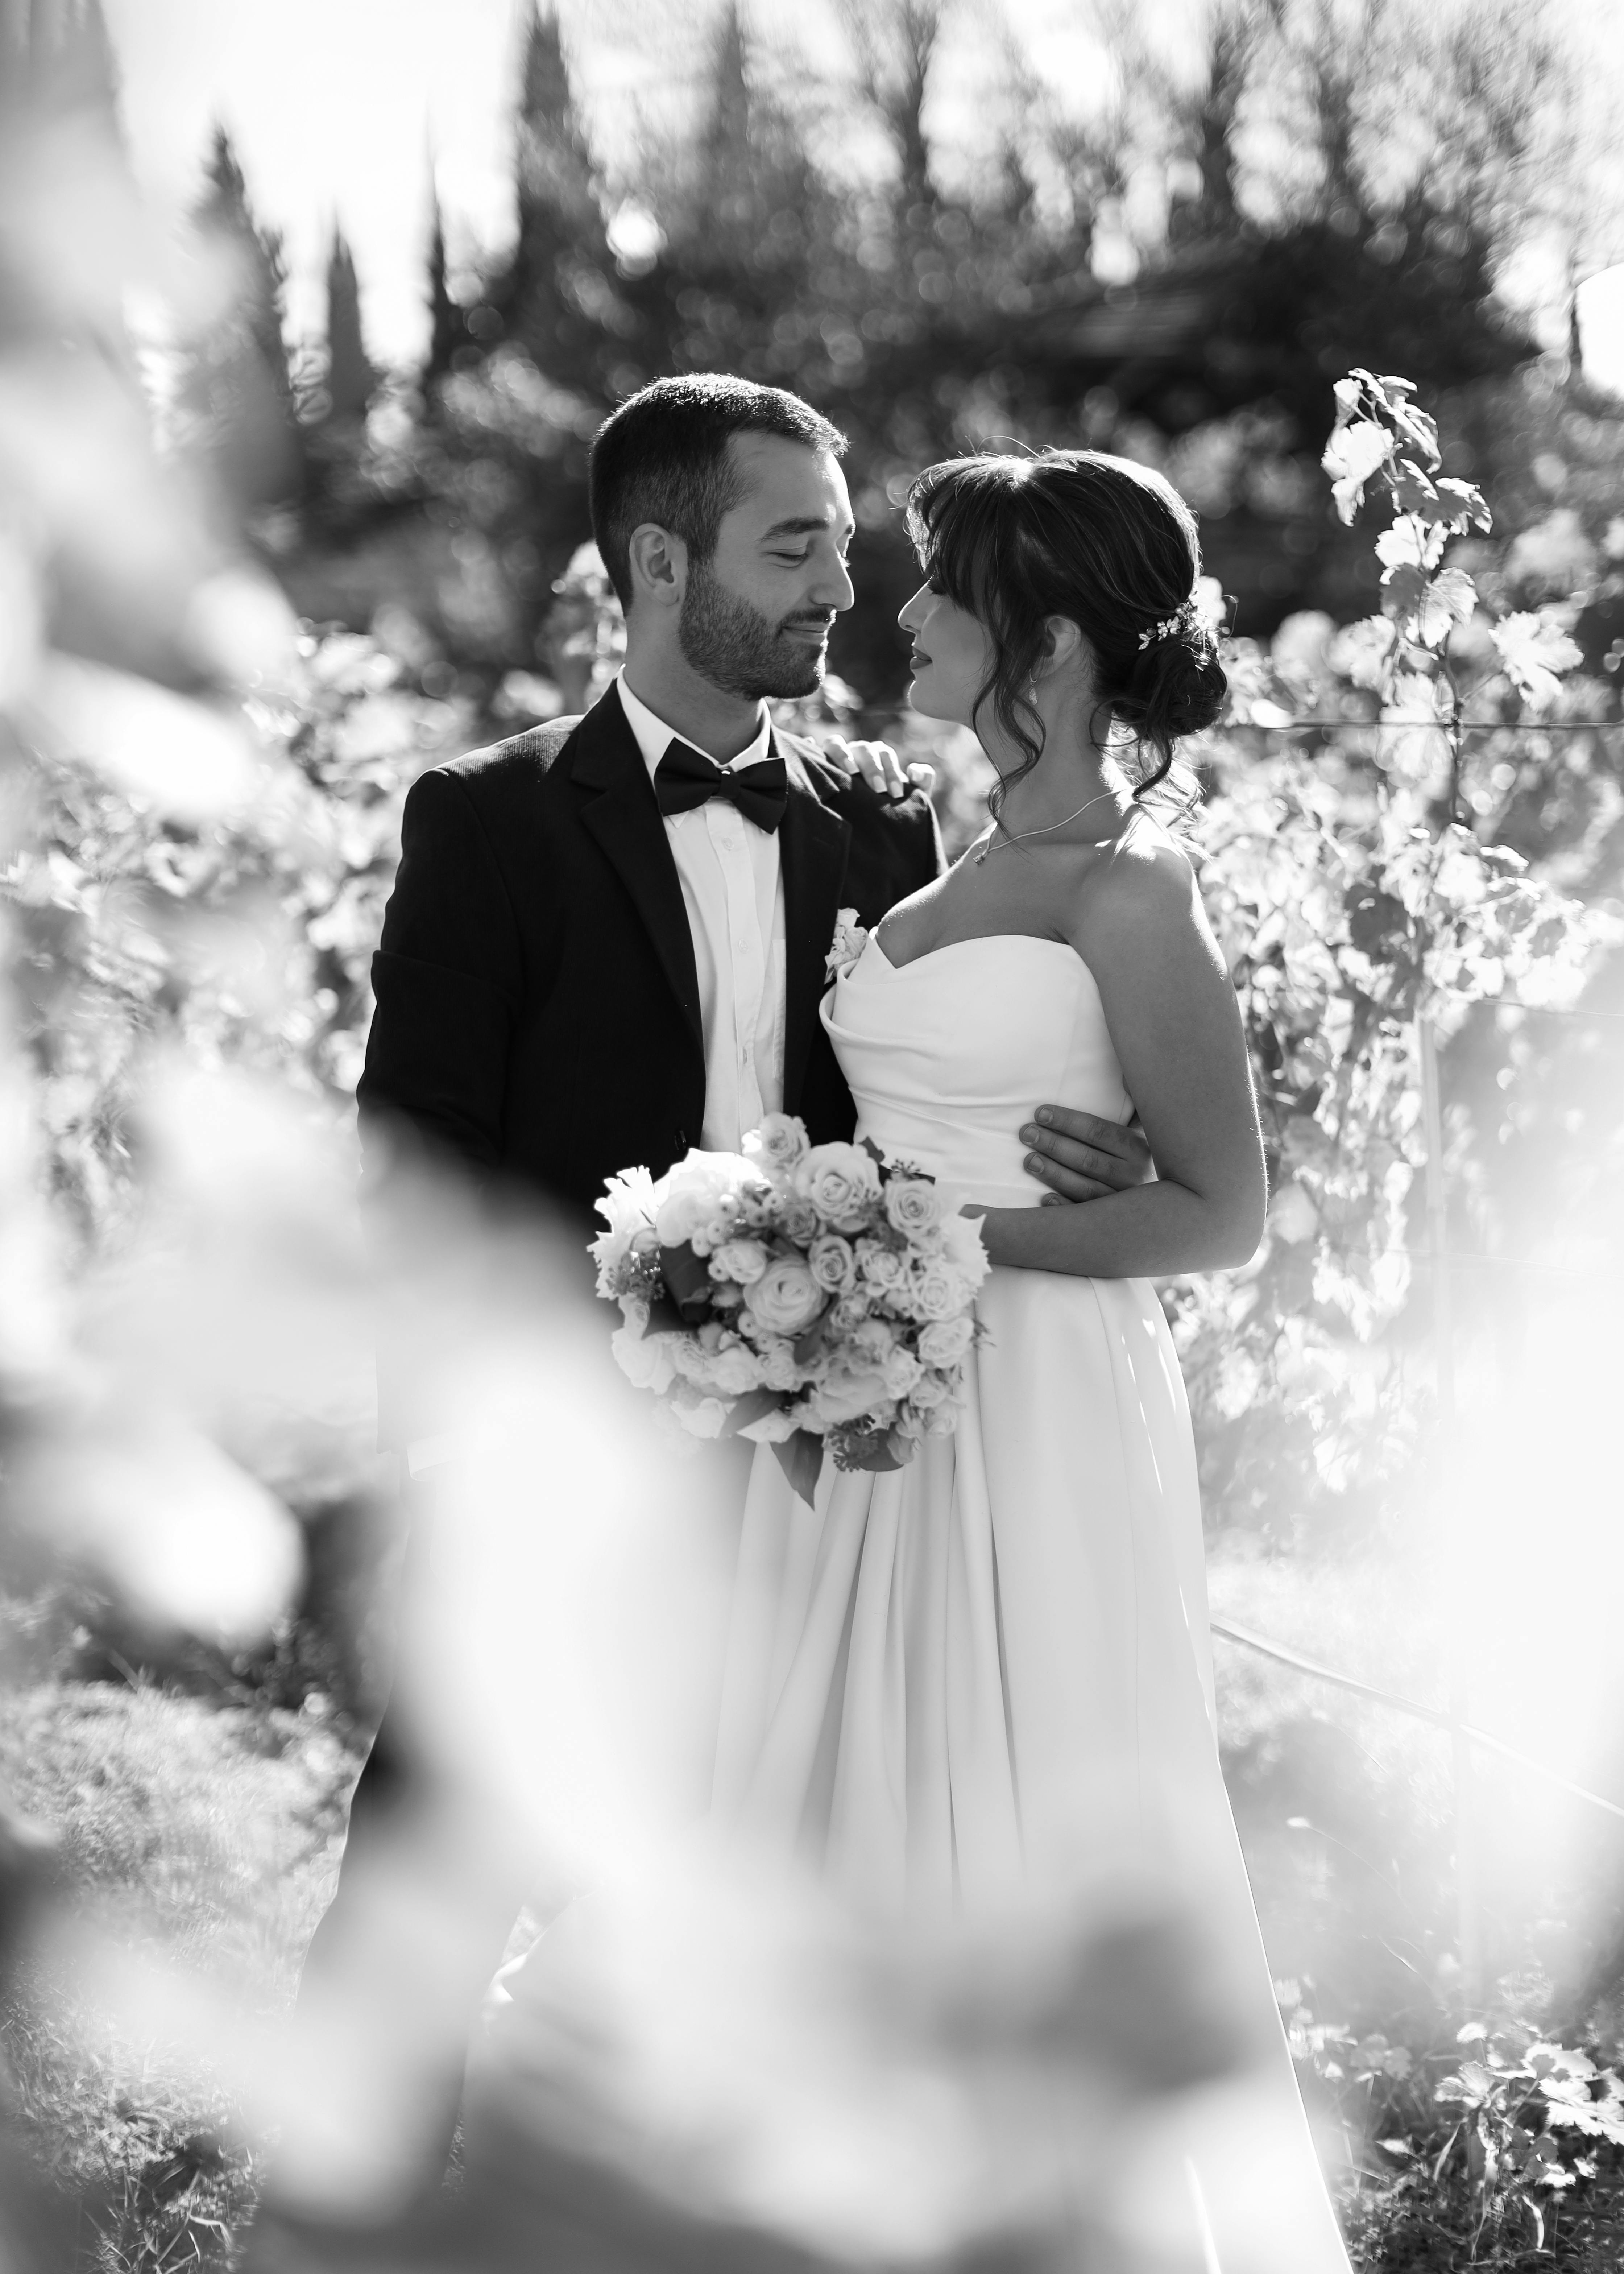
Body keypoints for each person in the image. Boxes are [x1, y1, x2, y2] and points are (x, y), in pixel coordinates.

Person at [292, 377, 1149, 2200]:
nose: (845, 583)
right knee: (442, 1853)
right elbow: (417, 1166)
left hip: (827, 1475)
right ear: (658, 558)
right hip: (560, 1452)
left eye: (847, 544)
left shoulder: (884, 817)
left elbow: (944, 1103)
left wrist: (1096, 1156)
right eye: (797, 544)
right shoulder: (488, 817)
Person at [699, 447, 1354, 2269]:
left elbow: (1219, 1210)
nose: (898, 615)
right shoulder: (960, 845)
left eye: (940, 592)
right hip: (884, 1398)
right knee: (857, 1792)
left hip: (1039, 1407)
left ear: (1044, 639)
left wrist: (940, 1243)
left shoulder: (1130, 895)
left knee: (1036, 1794)